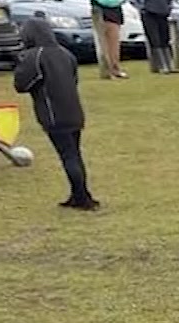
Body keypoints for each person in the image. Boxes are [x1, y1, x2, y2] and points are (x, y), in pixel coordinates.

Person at [13, 15, 98, 210]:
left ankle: (82, 198)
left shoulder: (34, 56)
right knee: (74, 154)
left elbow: (22, 85)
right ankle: (79, 194)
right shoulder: (66, 54)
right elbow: (74, 79)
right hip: (74, 111)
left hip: (53, 114)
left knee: (68, 155)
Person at [90, 0, 126, 77]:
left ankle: (115, 68)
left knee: (114, 41)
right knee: (104, 42)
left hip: (115, 9)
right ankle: (107, 70)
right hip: (101, 9)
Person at [141, 0, 177, 73]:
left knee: (165, 39)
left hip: (163, 13)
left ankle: (169, 65)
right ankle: (160, 66)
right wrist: (143, 8)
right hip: (149, 13)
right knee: (154, 39)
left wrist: (169, 7)